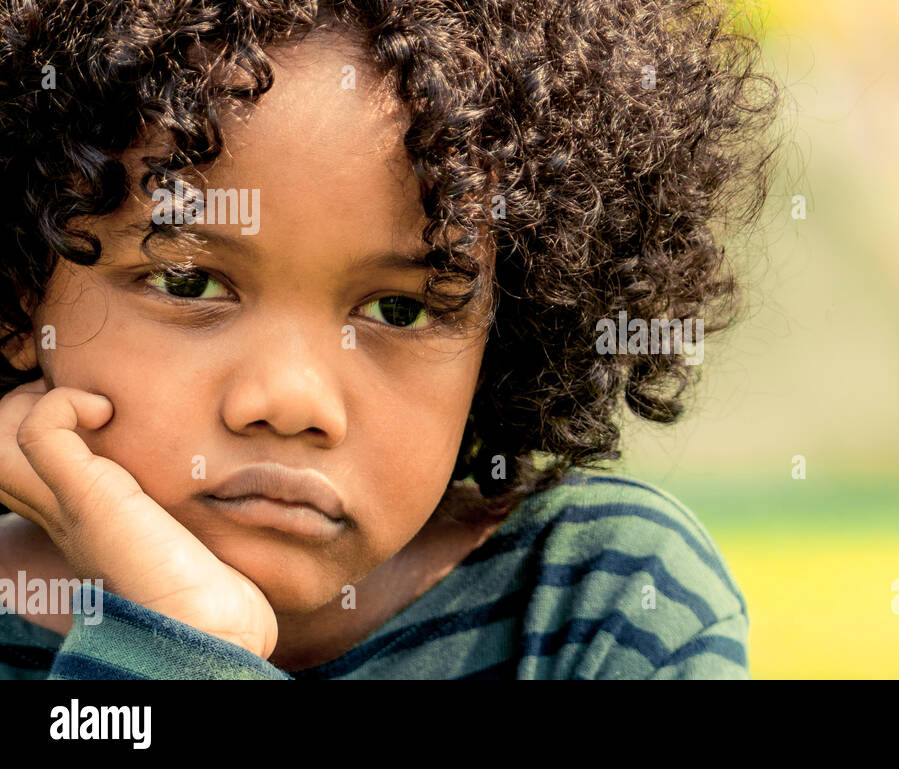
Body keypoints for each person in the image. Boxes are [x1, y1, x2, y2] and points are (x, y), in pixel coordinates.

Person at [0, 0, 779, 679]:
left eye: (400, 310)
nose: (294, 401)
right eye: (189, 281)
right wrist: (178, 637)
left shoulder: (602, 601)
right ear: (19, 300)